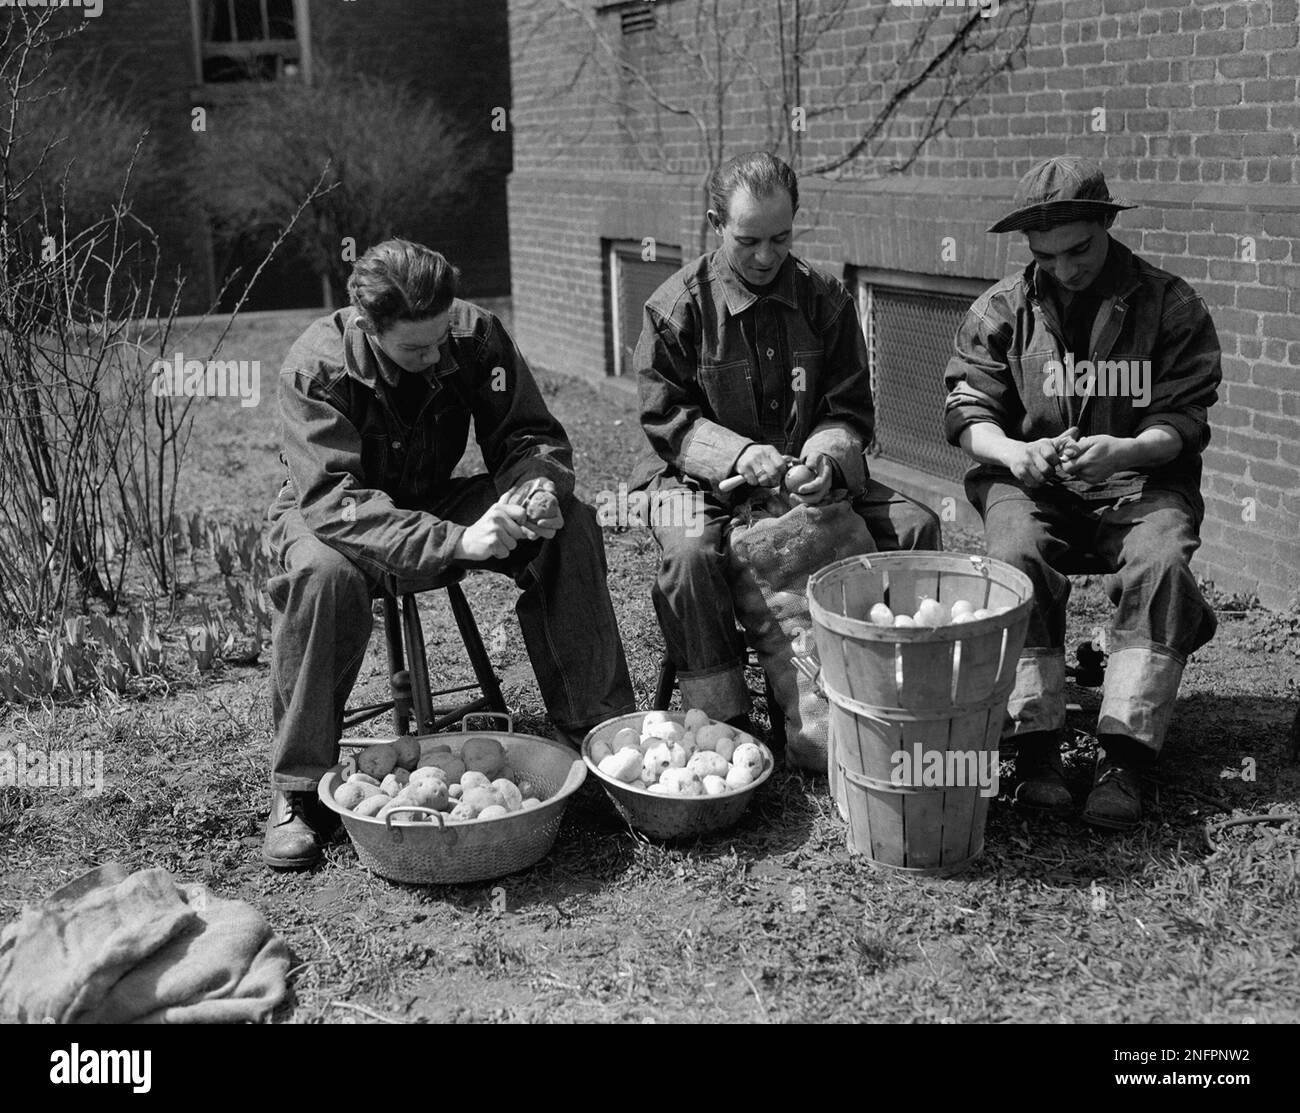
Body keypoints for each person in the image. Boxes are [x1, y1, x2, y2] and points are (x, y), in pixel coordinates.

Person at [263, 239, 635, 869]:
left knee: (569, 522)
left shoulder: (473, 333)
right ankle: (299, 789)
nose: (436, 355)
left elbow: (526, 433)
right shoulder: (314, 369)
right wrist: (457, 540)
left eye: (440, 339)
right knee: (323, 576)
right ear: (367, 322)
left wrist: (535, 485)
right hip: (331, 512)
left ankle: (596, 737)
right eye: (415, 348)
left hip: (432, 498)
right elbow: (335, 501)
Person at [943, 156, 1221, 830]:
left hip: (1139, 483)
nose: (1065, 268)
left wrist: (1126, 450)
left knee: (1159, 562)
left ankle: (1124, 754)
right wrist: (1016, 451)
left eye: (1080, 249)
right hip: (1032, 484)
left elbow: (1185, 420)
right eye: (1047, 255)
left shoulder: (1169, 303)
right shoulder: (1002, 308)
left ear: (1106, 224)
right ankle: (1035, 745)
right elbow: (965, 410)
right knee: (1013, 557)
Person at [631, 150, 941, 729]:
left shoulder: (825, 299)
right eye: (748, 239)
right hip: (702, 485)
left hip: (805, 477)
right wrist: (739, 454)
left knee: (915, 527)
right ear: (715, 222)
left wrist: (826, 460)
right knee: (691, 556)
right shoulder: (676, 308)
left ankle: (886, 694)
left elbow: (848, 407)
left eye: (781, 236)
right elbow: (666, 418)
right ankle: (722, 722)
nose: (767, 255)